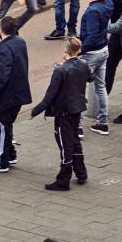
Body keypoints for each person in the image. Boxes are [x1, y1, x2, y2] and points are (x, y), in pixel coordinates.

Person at [32, 36, 90, 189]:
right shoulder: (84, 64)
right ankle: (81, 172)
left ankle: (63, 180)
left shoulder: (61, 70)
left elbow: (50, 95)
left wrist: (37, 110)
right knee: (75, 141)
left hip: (63, 111)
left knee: (65, 145)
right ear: (79, 50)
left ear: (66, 50)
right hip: (77, 108)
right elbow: (90, 78)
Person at [0, 16, 31, 172]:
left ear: (2, 29)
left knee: (2, 127)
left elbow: (1, 75)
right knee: (7, 126)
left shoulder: (4, 49)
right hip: (18, 94)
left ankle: (0, 162)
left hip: (5, 96)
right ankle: (10, 154)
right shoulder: (19, 42)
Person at [81, 0, 114, 135]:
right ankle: (102, 123)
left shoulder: (92, 12)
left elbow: (91, 37)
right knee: (101, 87)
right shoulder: (107, 5)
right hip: (104, 50)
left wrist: (79, 50)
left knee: (79, 89)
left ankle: (77, 127)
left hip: (91, 55)